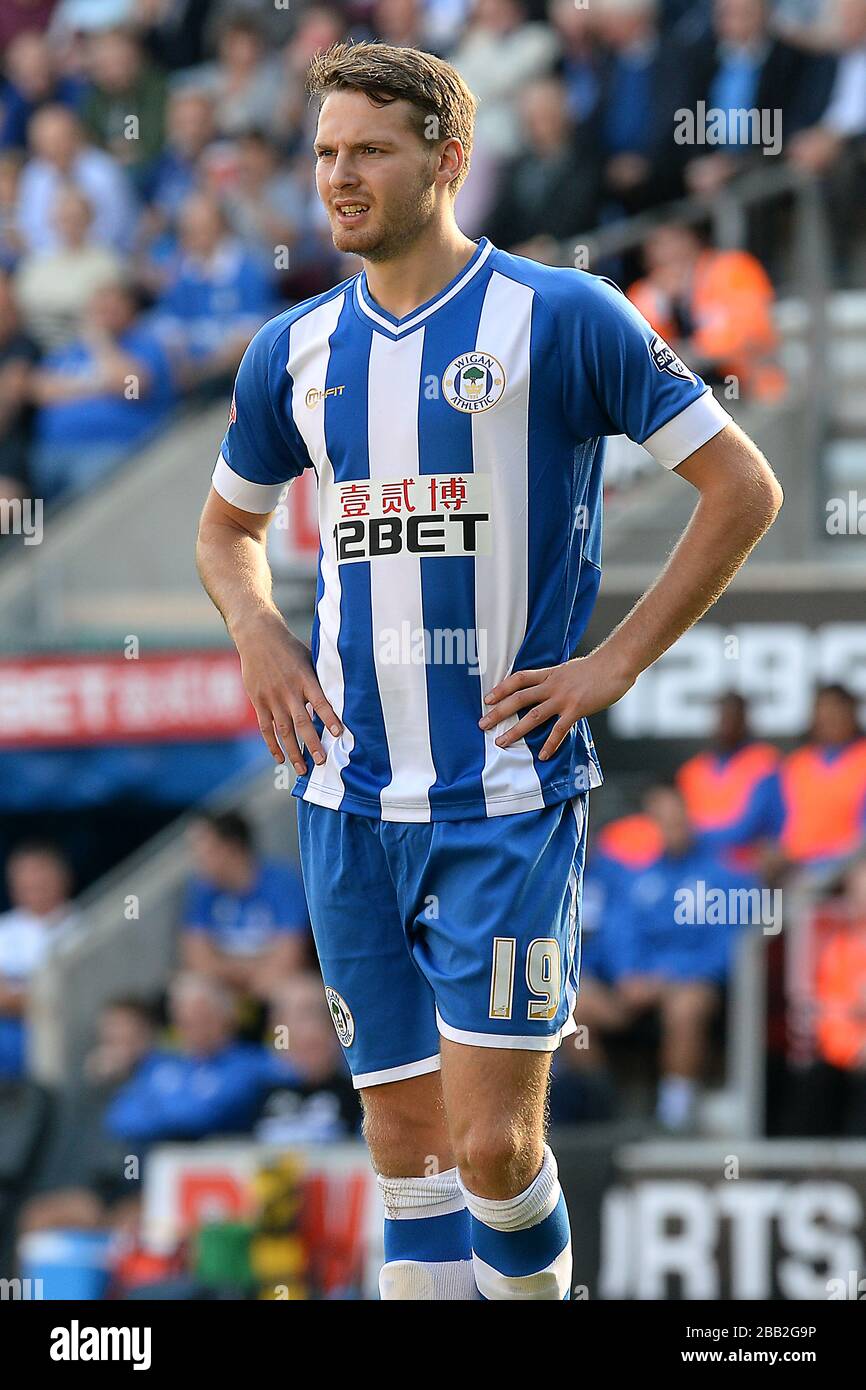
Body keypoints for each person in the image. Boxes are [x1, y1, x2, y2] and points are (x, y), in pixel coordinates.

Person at [195, 41, 782, 1301]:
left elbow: (742, 484)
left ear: (447, 158)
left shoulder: (560, 315)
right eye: (323, 154)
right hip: (347, 798)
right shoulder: (289, 350)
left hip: (505, 799)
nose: (337, 178)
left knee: (493, 1148)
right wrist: (256, 629)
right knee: (403, 1150)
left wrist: (614, 660)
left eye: (368, 151)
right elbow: (224, 526)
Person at [614, 783, 758, 1132]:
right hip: (643, 988)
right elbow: (622, 936)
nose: (671, 828)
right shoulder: (639, 878)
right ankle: (603, 1109)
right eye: (661, 821)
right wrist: (628, 975)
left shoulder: (728, 878)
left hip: (703, 989)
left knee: (686, 1006)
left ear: (690, 818)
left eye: (677, 819)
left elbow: (732, 951)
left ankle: (674, 1119)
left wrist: (665, 978)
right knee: (581, 1005)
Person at [29, 277, 175, 501]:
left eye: (111, 307)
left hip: (111, 450)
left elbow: (131, 387)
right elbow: (42, 391)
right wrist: (101, 383)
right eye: (97, 308)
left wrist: (101, 343)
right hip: (51, 452)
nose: (103, 315)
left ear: (130, 310)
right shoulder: (72, 351)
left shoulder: (145, 344)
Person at [104, 972, 269, 1145]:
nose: (194, 1028)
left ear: (227, 1018)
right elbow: (121, 1119)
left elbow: (201, 1115)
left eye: (202, 1018)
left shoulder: (249, 1064)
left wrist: (157, 1108)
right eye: (185, 1021)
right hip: (162, 1165)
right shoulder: (160, 1064)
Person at [628, 223, 786, 402]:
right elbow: (642, 357)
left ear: (693, 241)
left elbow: (751, 333)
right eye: (657, 246)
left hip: (749, 389)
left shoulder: (732, 269)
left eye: (674, 243)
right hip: (687, 400)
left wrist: (694, 352)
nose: (667, 253)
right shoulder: (647, 294)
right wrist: (662, 309)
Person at [181, 810, 310, 999]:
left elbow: (290, 955)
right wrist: (241, 974)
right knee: (190, 991)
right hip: (226, 989)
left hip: (274, 983)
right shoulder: (202, 889)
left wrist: (238, 975)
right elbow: (197, 958)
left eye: (205, 852)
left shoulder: (283, 882)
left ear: (231, 848)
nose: (198, 861)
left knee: (297, 994)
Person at [0, 840, 78, 1078]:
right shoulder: (4, 930)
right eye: (25, 878)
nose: (34, 883)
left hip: (68, 1037)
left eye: (41, 875)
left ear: (63, 877)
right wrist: (43, 1002)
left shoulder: (85, 928)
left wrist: (21, 999)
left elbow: (78, 998)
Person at [255, 974, 362, 1143]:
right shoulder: (257, 1087)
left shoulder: (357, 1092)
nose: (306, 1028)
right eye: (291, 1017)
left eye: (312, 1014)